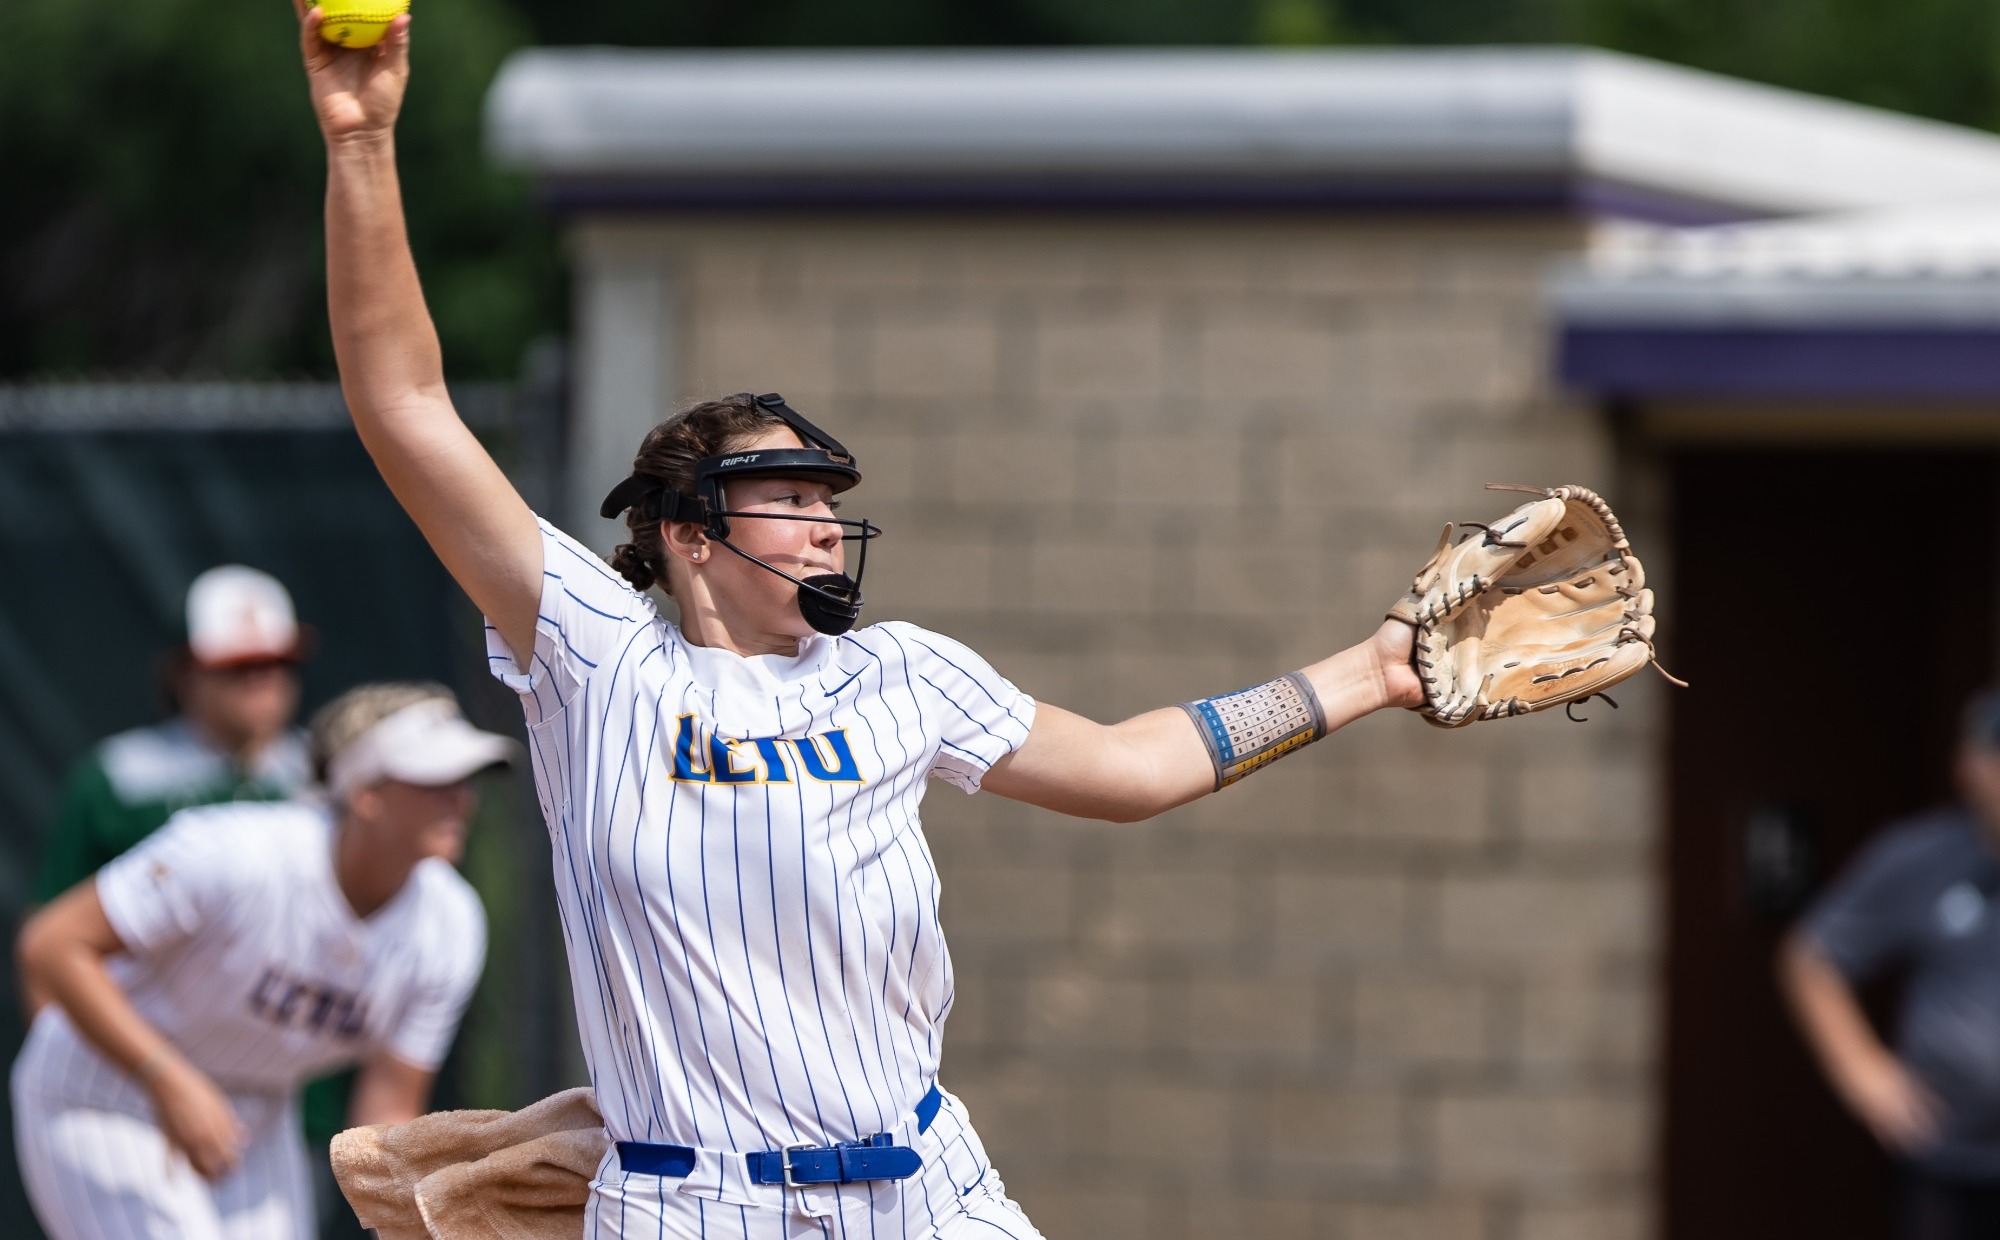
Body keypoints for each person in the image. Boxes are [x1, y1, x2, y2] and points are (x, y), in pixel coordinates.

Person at [294, 10, 1424, 1237]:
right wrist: (363, 142)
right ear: (685, 533)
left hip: (927, 1183)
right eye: (785, 498)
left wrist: (1362, 673)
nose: (825, 523)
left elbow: (1130, 768)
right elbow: (404, 404)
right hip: (699, 1203)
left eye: (828, 500)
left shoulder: (899, 672)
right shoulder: (599, 657)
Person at [12, 682, 507, 1240]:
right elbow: (52, 942)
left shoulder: (451, 923)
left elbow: (387, 1108)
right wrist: (166, 1077)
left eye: (464, 780)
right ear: (366, 795)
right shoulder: (239, 855)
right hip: (105, 1091)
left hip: (255, 1119)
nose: (460, 800)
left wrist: (420, 1224)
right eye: (433, 780)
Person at [1780, 688, 2000, 1240]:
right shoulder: (1920, 858)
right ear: (1969, 767)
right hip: (1945, 1157)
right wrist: (1865, 1074)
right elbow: (1813, 957)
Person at [34, 564, 311, 906]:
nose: (261, 681)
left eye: (276, 661)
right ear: (182, 673)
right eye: (237, 666)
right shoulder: (118, 780)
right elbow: (51, 930)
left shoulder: (327, 772)